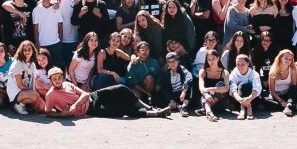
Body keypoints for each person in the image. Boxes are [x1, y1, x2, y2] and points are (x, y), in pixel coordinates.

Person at [41, 68, 170, 119]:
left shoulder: (68, 84)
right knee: (122, 110)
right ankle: (154, 113)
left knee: (121, 88)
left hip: (93, 96)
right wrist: (61, 114)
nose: (57, 80)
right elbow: (47, 112)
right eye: (54, 79)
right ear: (50, 80)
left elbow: (85, 94)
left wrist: (74, 106)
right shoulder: (50, 95)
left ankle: (149, 107)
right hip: (90, 109)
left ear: (62, 77)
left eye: (59, 77)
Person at [226, 54, 262, 120]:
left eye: (243, 64)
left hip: (252, 100)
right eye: (238, 64)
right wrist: (240, 100)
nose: (240, 67)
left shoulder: (254, 74)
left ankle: (249, 109)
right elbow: (232, 89)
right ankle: (243, 109)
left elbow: (257, 88)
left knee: (247, 85)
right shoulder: (233, 74)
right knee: (240, 86)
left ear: (248, 63)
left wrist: (248, 99)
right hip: (239, 102)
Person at [196, 50, 228, 122]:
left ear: (218, 58)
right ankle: (209, 113)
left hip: (220, 102)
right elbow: (201, 87)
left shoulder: (224, 72)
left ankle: (207, 108)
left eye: (213, 58)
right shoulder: (203, 71)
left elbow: (226, 88)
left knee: (220, 84)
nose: (211, 61)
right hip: (206, 98)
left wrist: (210, 89)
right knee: (204, 97)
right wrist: (206, 94)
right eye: (209, 59)